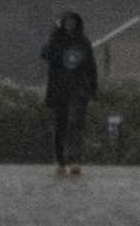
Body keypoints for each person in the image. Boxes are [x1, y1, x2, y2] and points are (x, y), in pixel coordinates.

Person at [40, 13, 98, 178]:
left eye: (73, 22)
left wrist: (93, 88)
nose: (70, 24)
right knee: (61, 125)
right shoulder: (55, 41)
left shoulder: (83, 41)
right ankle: (61, 161)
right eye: (67, 22)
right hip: (59, 89)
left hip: (78, 89)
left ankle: (74, 160)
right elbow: (45, 54)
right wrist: (53, 34)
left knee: (75, 123)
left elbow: (91, 65)